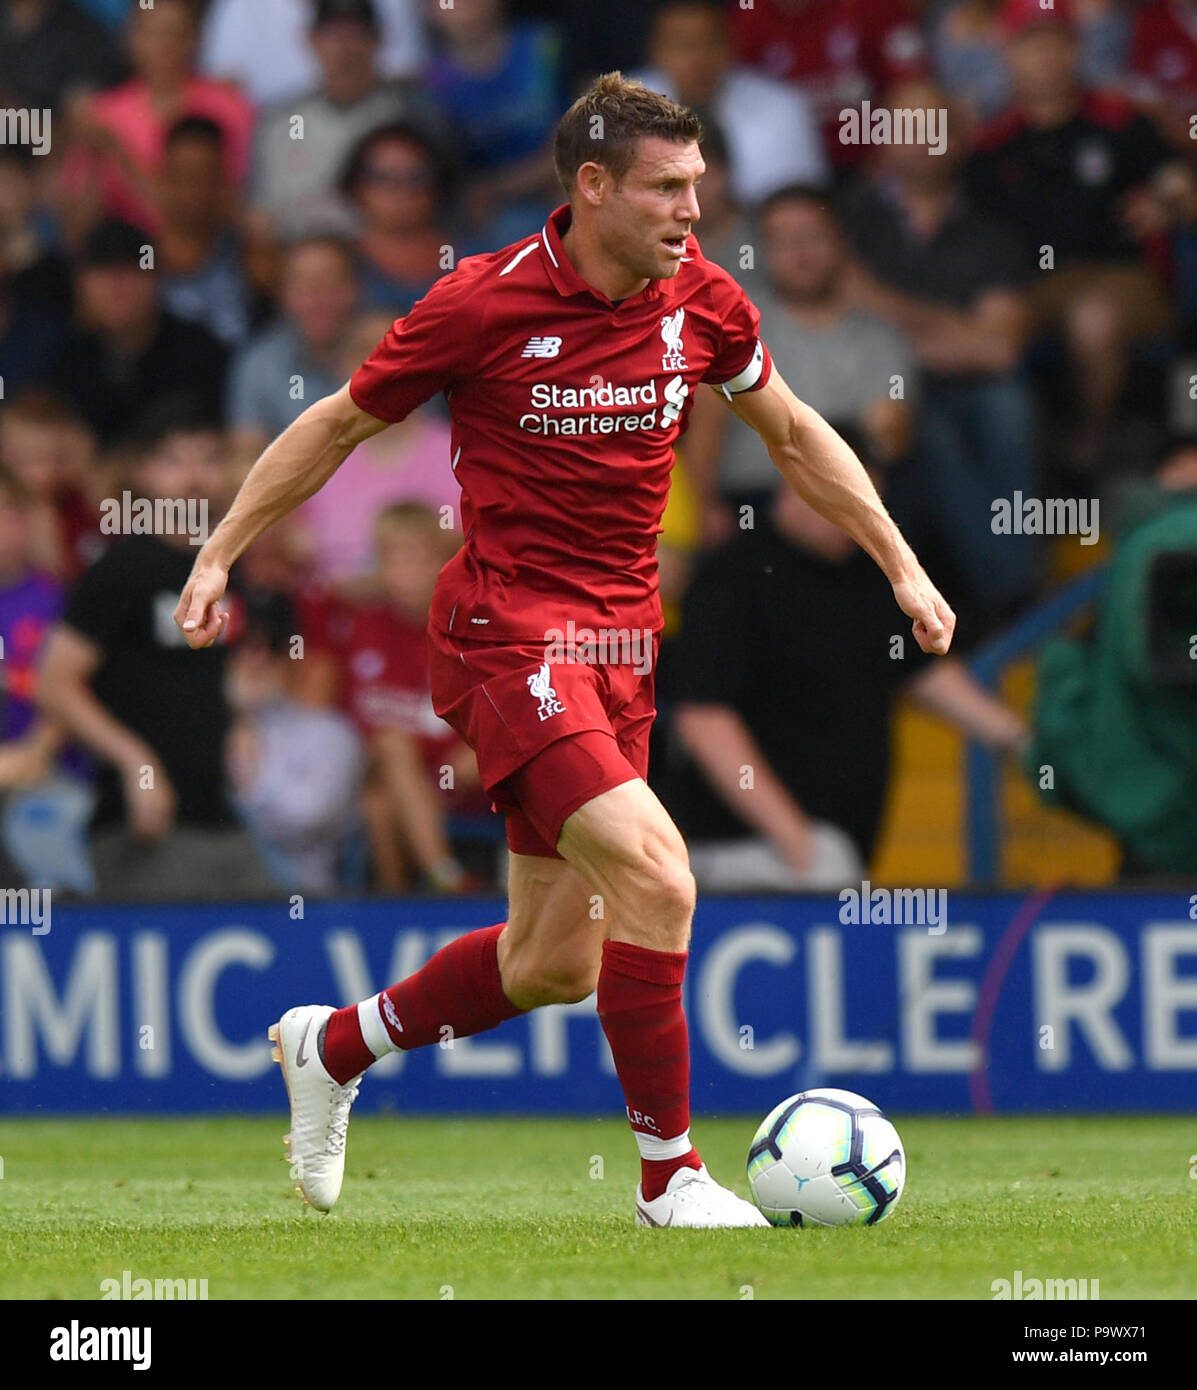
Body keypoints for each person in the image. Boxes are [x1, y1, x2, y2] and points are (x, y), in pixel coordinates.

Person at [175, 72, 956, 1228]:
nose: (695, 210)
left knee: (554, 963)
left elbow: (791, 431)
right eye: (668, 189)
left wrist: (899, 562)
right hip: (508, 634)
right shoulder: (481, 302)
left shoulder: (703, 300)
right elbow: (339, 419)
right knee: (660, 873)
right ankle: (671, 1179)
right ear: (592, 188)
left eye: (700, 185)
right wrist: (218, 551)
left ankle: (332, 1046)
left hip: (622, 648)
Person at [663, 466, 1028, 891]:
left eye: (867, 508)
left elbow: (918, 670)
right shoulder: (732, 579)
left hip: (834, 859)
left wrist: (1020, 741)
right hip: (744, 855)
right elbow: (703, 717)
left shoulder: (870, 577)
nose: (855, 521)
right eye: (844, 502)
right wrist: (797, 843)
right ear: (793, 489)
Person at [38, 401, 276, 900]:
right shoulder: (123, 568)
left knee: (290, 947)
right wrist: (135, 763)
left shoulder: (235, 566)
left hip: (224, 820)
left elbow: (220, 678)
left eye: (209, 459)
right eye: (173, 460)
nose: (193, 477)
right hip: (141, 826)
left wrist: (242, 718)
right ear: (142, 472)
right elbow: (55, 683)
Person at [964, 0, 1197, 471]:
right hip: (1030, 286)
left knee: (1092, 318)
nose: (1046, 55)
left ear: (1077, 49)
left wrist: (1166, 204)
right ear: (1006, 52)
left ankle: (1089, 452)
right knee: (988, 333)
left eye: (1058, 40)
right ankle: (1015, 463)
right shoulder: (990, 144)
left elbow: (1184, 193)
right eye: (1031, 42)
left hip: (1122, 280)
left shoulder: (1123, 121)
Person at [840, 79, 1037, 619]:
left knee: (1008, 407)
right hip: (876, 385)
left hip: (970, 388)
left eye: (934, 124)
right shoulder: (851, 217)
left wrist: (891, 313)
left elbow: (998, 351)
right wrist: (952, 324)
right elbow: (842, 310)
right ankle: (1011, 598)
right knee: (932, 435)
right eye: (906, 123)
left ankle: (1004, 592)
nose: (921, 138)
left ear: (958, 138)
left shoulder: (992, 225)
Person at [250, 0, 439, 241]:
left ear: (379, 39)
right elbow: (259, 216)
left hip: (390, 266)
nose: (345, 48)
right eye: (333, 35)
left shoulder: (414, 114)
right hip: (297, 265)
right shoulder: (279, 122)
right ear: (311, 40)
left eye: (356, 35)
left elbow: (444, 211)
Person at [633, 0, 828, 207]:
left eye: (710, 42)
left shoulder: (784, 109)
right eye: (683, 45)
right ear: (655, 50)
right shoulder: (621, 109)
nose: (698, 59)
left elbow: (801, 211)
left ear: (731, 44)